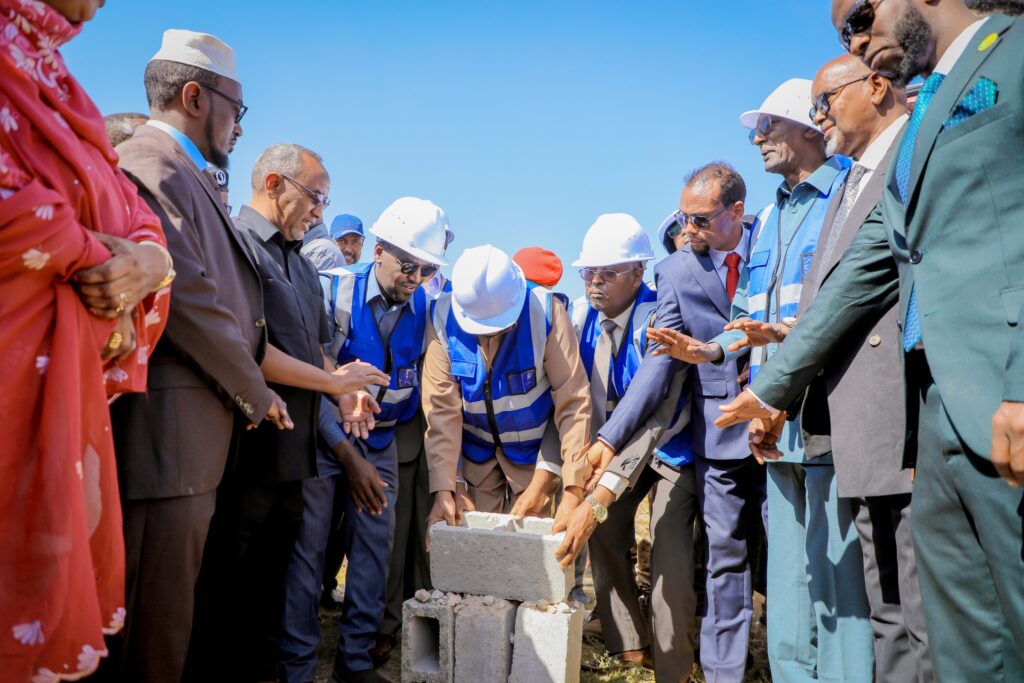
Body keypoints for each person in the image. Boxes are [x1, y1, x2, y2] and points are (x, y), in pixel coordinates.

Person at [720, 2, 1024, 679]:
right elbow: (862, 272)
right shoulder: (924, 119)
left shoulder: (1011, 54)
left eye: (859, 15)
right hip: (927, 418)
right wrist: (773, 387)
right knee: (945, 641)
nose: (855, 39)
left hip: (991, 402)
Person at [647, 79, 876, 681]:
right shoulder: (771, 217)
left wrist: (778, 352)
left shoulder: (850, 196)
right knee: (790, 583)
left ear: (808, 127)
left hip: (827, 414)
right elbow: (748, 315)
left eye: (769, 126)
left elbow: (845, 305)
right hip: (773, 426)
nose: (758, 139)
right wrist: (709, 350)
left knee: (837, 583)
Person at [0, 1, 171, 678]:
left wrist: (148, 262)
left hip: (64, 397)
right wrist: (105, 259)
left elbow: (134, 216)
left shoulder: (55, 77)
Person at [188, 143, 387, 681]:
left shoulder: (300, 264)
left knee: (271, 600)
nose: (320, 212)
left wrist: (344, 393)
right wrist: (332, 382)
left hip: (297, 462)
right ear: (274, 183)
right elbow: (247, 349)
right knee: (224, 598)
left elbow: (315, 350)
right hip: (244, 459)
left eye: (325, 201)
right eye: (315, 197)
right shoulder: (234, 245)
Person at [278, 197, 447, 683]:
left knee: (375, 548)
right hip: (324, 436)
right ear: (378, 251)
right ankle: (297, 668)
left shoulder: (430, 308)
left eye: (428, 268)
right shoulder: (332, 290)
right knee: (308, 552)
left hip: (382, 439)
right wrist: (344, 436)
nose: (416, 277)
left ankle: (354, 663)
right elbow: (309, 370)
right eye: (408, 265)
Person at [563, 214, 698, 679]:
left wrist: (604, 487)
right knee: (603, 530)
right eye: (588, 272)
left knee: (669, 547)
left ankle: (674, 663)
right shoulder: (584, 321)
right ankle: (628, 641)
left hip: (673, 448)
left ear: (639, 273)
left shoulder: (660, 317)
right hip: (618, 447)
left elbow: (658, 412)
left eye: (609, 273)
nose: (595, 283)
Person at [422, 244, 592, 525]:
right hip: (474, 462)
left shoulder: (547, 313)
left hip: (535, 462)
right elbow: (440, 410)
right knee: (474, 540)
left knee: (533, 544)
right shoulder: (440, 317)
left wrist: (570, 487)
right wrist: (449, 485)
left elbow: (573, 401)